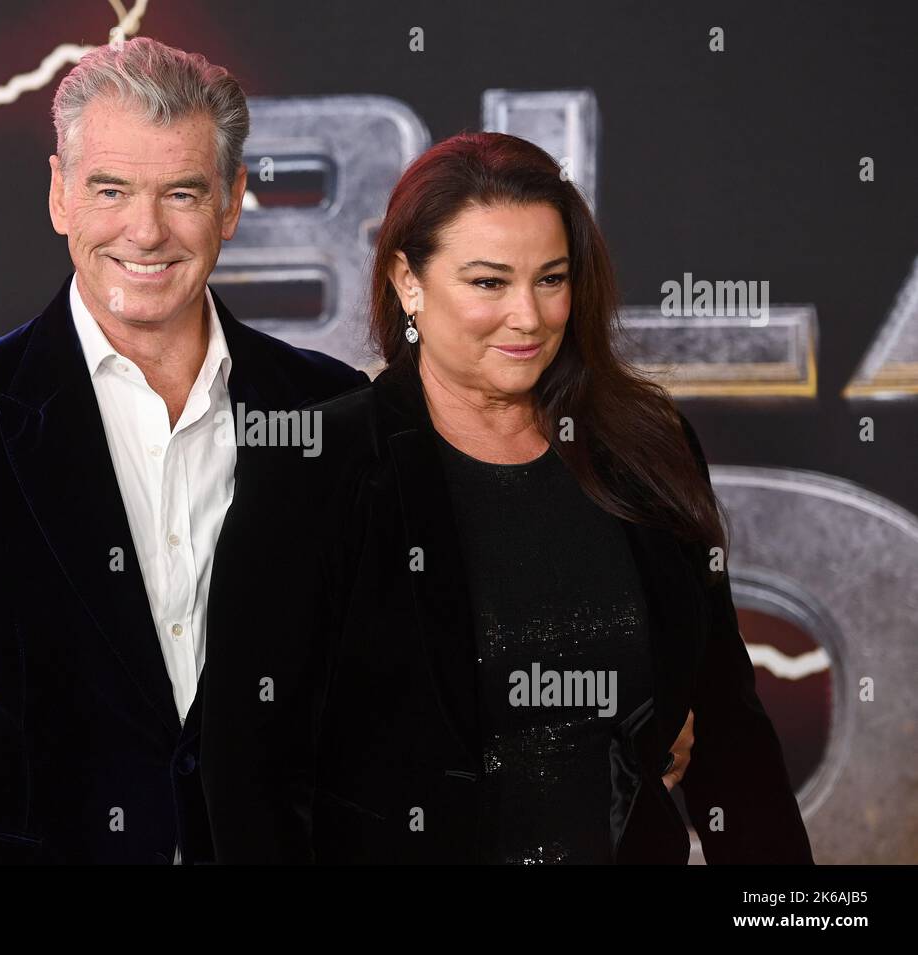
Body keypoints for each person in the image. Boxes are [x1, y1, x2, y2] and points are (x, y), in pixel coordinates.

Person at [0, 37, 366, 864]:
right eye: (110, 189)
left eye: (182, 192)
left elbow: (370, 715)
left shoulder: (326, 406)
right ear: (60, 194)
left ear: (233, 202)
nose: (146, 231)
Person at [201, 131, 813, 864]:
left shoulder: (645, 442)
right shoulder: (321, 467)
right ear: (408, 281)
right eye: (489, 282)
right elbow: (247, 772)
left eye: (551, 279)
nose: (529, 316)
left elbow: (728, 728)